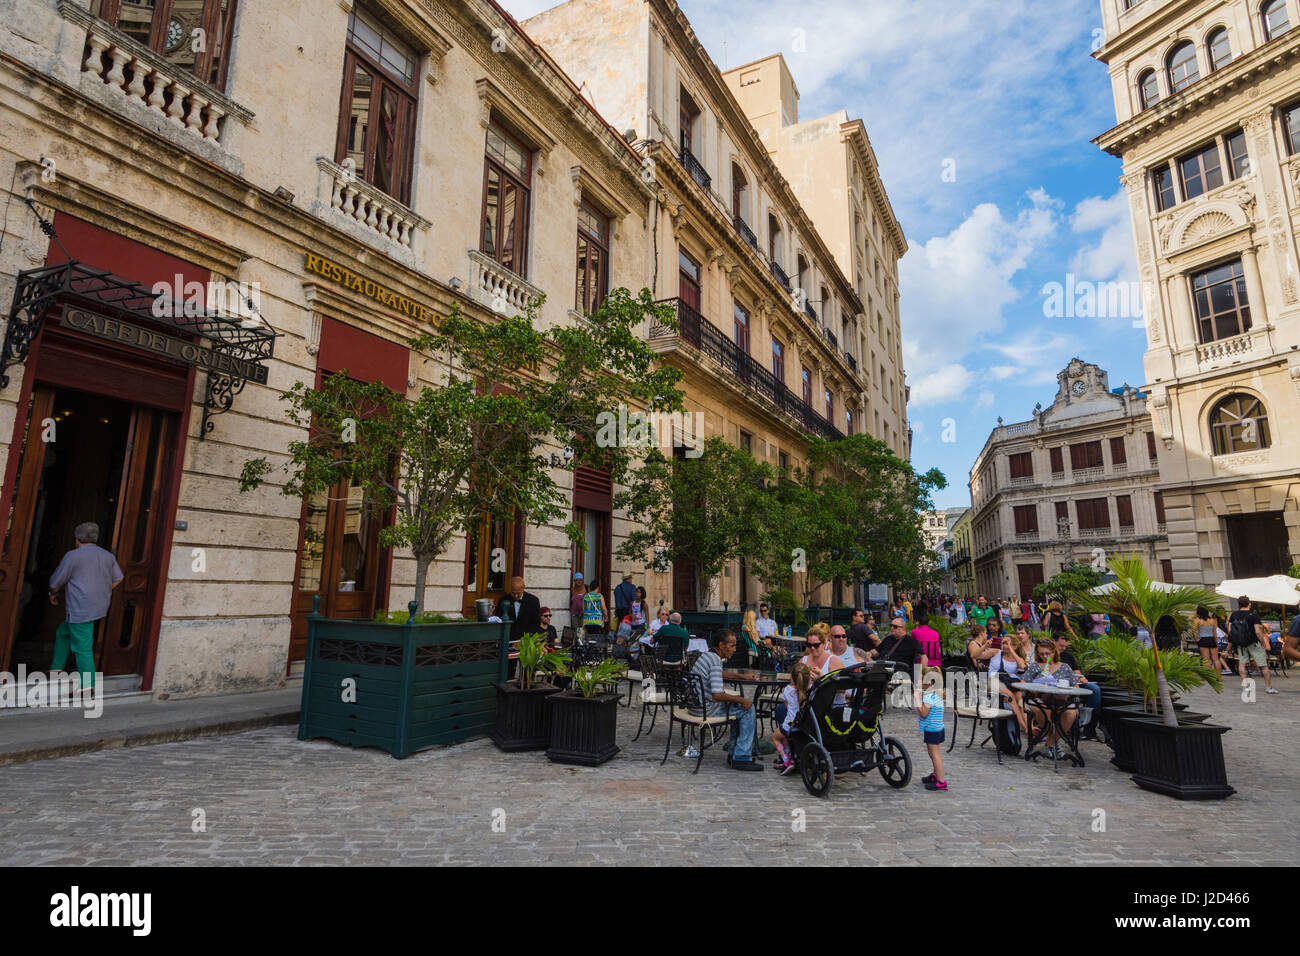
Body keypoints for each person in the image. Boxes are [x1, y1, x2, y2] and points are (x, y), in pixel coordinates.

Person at [48, 522, 123, 690]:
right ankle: (56, 667)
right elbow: (118, 578)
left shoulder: (72, 556)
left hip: (80, 607)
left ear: (77, 538)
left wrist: (53, 593)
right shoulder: (107, 556)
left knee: (82, 645)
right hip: (98, 606)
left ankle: (88, 685)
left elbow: (56, 581)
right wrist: (102, 590)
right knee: (64, 631)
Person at [691, 629, 761, 771]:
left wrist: (742, 677)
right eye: (732, 646)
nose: (734, 650)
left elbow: (718, 673)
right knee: (748, 708)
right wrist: (742, 700)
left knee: (738, 707)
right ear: (721, 645)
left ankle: (735, 753)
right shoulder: (716, 660)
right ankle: (741, 757)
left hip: (695, 706)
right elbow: (717, 695)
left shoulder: (707, 655)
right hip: (706, 710)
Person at [1022, 640, 1081, 751]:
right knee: (1041, 710)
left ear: (1054, 652)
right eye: (1041, 654)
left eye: (1047, 653)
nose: (1045, 656)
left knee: (1071, 713)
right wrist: (1035, 689)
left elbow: (1076, 686)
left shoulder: (1065, 667)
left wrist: (1066, 689)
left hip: (1062, 700)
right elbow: (1023, 683)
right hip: (1041, 700)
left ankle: (1050, 742)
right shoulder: (1036, 666)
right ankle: (1053, 743)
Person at [1052, 631, 1101, 731]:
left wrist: (1081, 678)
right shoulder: (1047, 656)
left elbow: (1077, 672)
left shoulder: (1068, 656)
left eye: (1065, 646)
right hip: (1056, 684)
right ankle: (1071, 720)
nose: (1063, 648)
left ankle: (1089, 724)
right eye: (1061, 646)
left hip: (1073, 682)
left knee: (1094, 689)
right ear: (1053, 642)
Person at [1227, 595, 1276, 693]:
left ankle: (1246, 686)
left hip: (1241, 643)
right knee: (1263, 665)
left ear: (1239, 604)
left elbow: (1229, 629)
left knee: (1242, 664)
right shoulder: (1253, 615)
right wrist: (1263, 642)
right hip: (1254, 643)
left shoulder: (1234, 615)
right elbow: (1258, 631)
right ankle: (1268, 687)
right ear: (1249, 603)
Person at [772, 661, 812, 775]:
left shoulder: (788, 689)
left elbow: (786, 706)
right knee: (783, 736)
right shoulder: (810, 689)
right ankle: (790, 758)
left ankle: (787, 761)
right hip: (804, 725)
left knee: (775, 737)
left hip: (790, 725)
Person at [987, 635, 1029, 733]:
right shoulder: (997, 653)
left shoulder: (1017, 657)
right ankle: (1023, 726)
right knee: (1010, 696)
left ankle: (1028, 726)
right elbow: (976, 655)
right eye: (1004, 643)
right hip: (996, 680)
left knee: (1020, 699)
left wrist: (1010, 648)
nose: (1005, 646)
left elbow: (1022, 666)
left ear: (1015, 646)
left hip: (1010, 682)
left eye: (1008, 643)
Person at [915, 666, 947, 791]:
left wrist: (917, 700)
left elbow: (923, 713)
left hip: (932, 730)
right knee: (935, 754)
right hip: (939, 728)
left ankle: (941, 781)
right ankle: (936, 775)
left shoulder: (929, 697)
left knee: (934, 755)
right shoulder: (936, 694)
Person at [1193, 605, 1223, 676]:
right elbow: (1215, 632)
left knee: (1206, 660)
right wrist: (1216, 641)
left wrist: (1196, 638)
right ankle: (1219, 677)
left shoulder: (1197, 620)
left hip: (1203, 639)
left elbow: (1193, 630)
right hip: (1212, 639)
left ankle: (1208, 677)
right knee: (1216, 659)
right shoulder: (1212, 620)